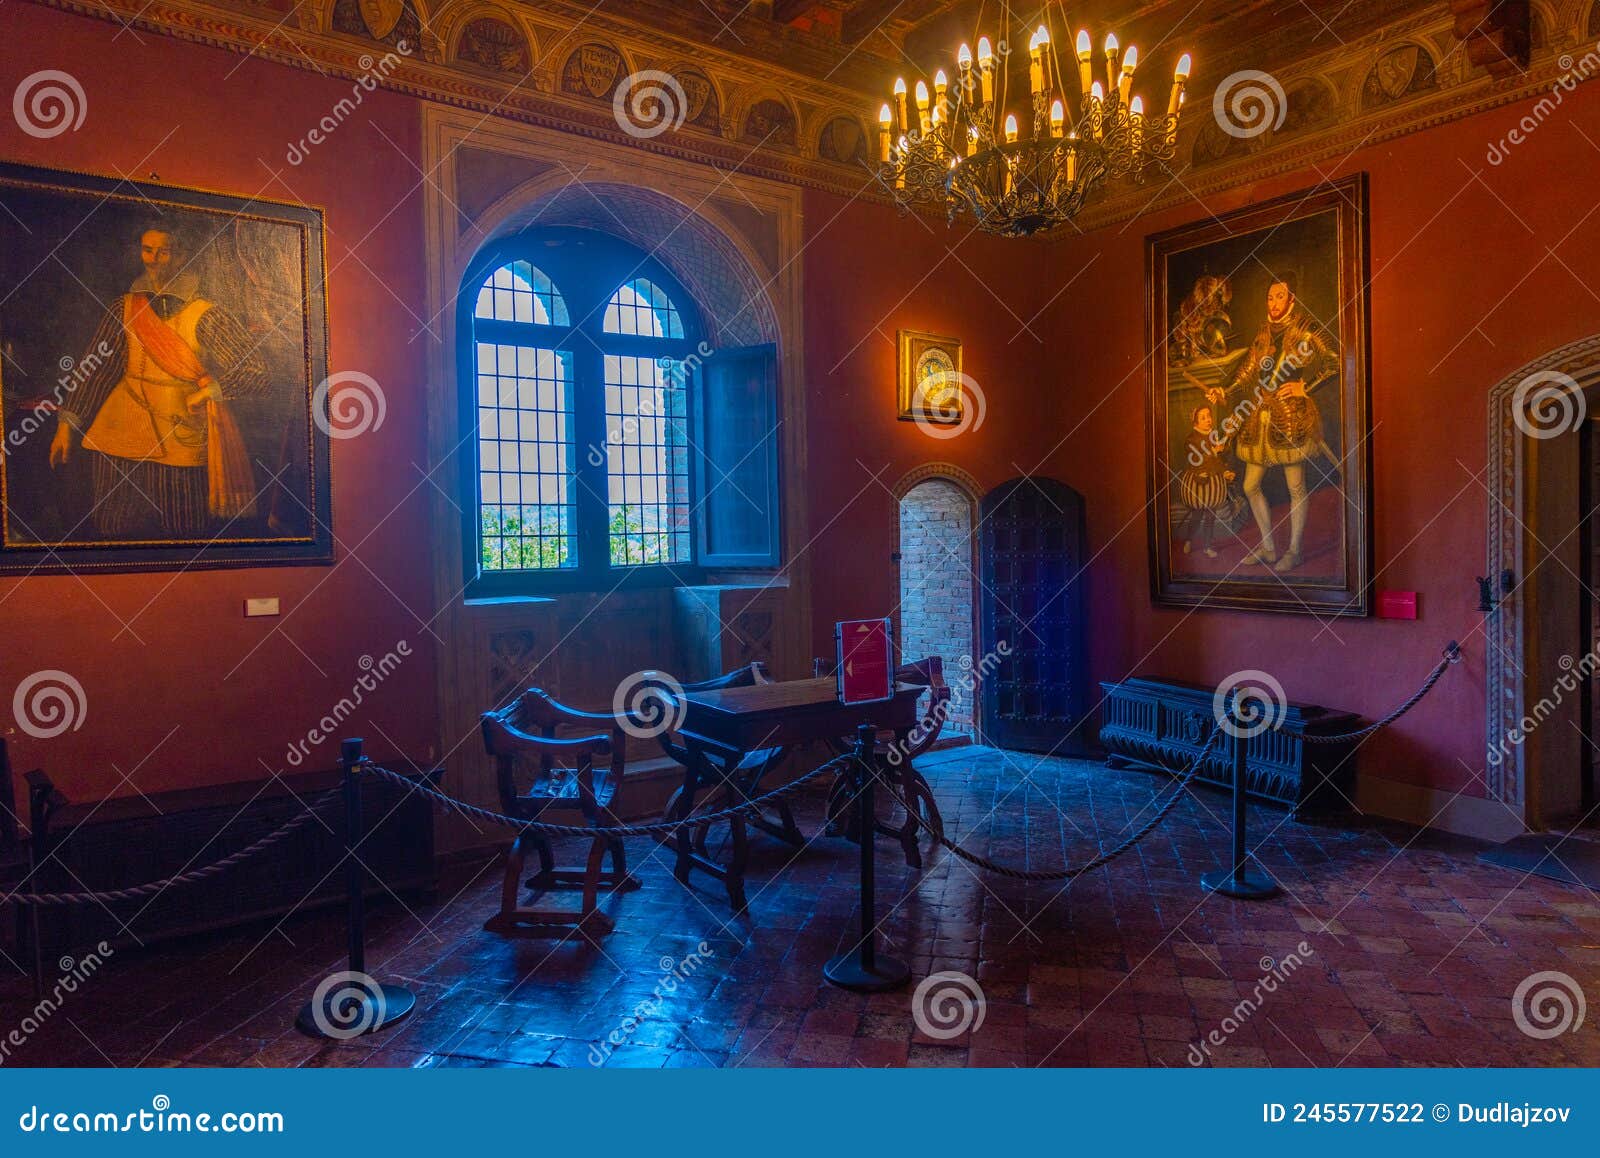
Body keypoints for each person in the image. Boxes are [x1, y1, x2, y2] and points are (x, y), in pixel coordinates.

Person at [49, 227, 265, 538]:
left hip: (179, 434)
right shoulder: (124, 308)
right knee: (115, 527)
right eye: (147, 250)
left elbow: (256, 371)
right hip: (119, 432)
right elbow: (95, 371)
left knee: (183, 530)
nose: (153, 260)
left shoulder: (206, 314)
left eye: (163, 251)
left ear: (181, 256)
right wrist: (65, 425)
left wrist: (209, 391)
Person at [1207, 273, 1337, 573]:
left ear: (1291, 299)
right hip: (1260, 414)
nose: (1274, 302)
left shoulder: (1306, 329)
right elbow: (1249, 366)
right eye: (1270, 297)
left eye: (1280, 296)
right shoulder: (1264, 331)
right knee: (1251, 484)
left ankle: (1294, 551)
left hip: (1291, 416)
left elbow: (1333, 360)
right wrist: (1225, 390)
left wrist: (1306, 386)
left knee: (1296, 486)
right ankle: (1268, 547)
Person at [1177, 406, 1234, 558]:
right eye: (1203, 417)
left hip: (1214, 482)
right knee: (1196, 515)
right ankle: (1189, 540)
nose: (1208, 419)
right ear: (1195, 422)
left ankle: (1207, 546)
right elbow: (1197, 460)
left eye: (1209, 416)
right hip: (1198, 482)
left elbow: (1219, 459)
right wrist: (1214, 451)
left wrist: (1225, 470)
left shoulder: (1214, 435)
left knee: (1210, 516)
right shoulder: (1191, 439)